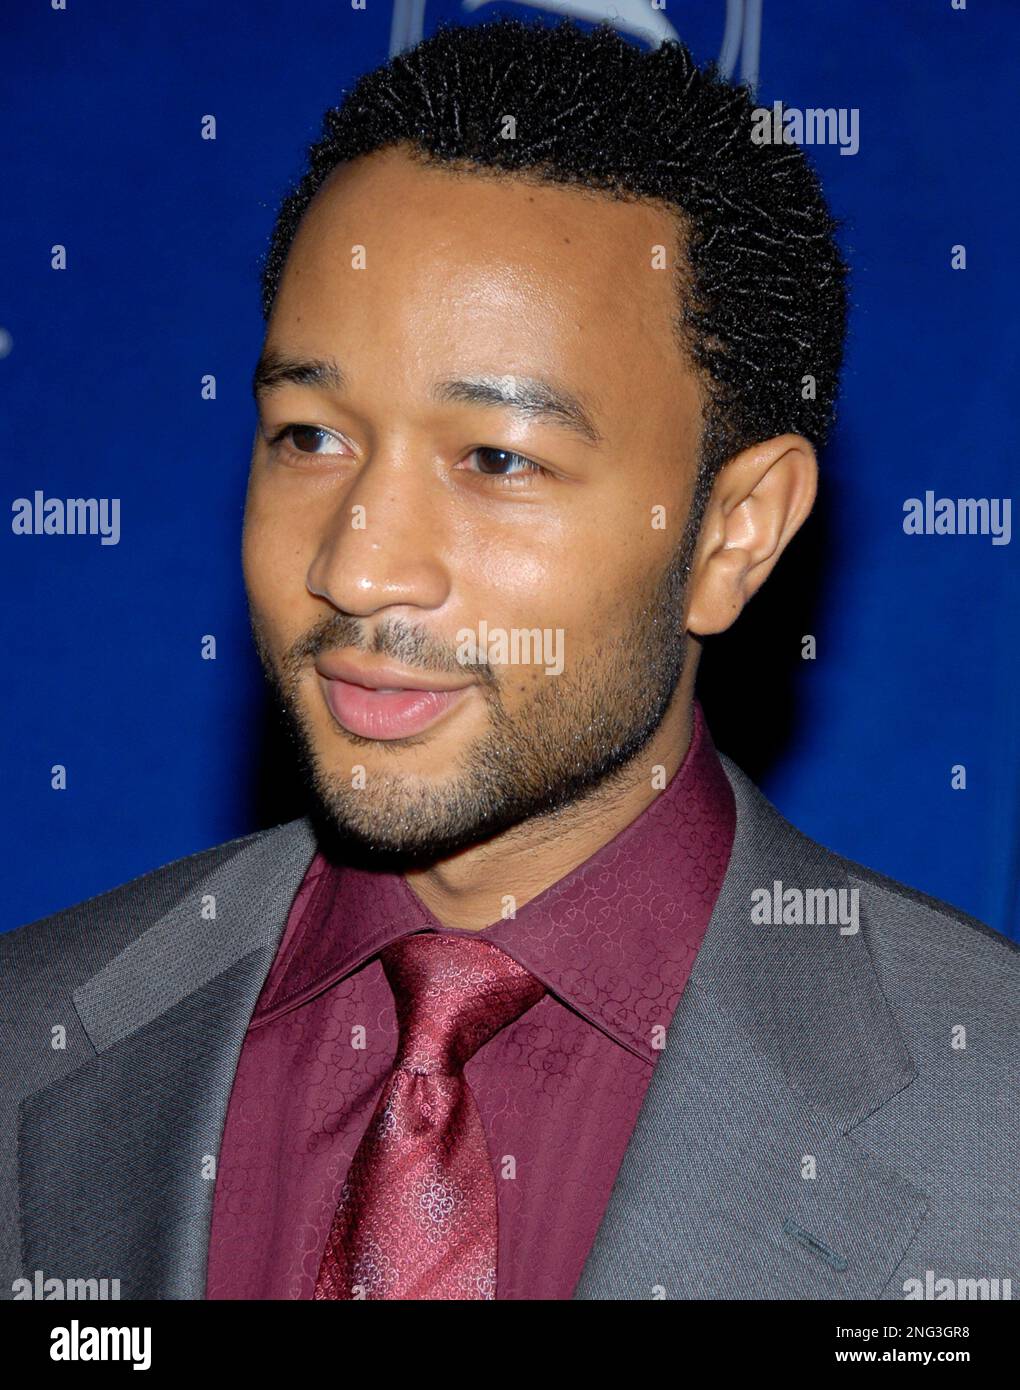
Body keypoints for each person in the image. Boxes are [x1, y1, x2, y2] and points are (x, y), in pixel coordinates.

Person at [3, 17, 1016, 1303]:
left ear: (732, 532)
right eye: (310, 436)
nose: (358, 568)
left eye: (496, 460)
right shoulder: (28, 1046)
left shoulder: (997, 1127)